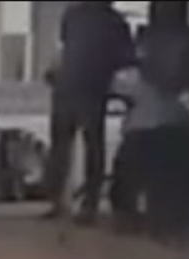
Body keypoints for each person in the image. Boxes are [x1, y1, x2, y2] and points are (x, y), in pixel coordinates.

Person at [107, 2, 189, 244]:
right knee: (172, 185)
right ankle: (169, 223)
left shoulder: (147, 51)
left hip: (145, 127)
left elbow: (118, 84)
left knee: (129, 178)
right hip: (184, 123)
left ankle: (132, 218)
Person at [42, 1, 134, 226]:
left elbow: (64, 50)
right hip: (85, 88)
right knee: (85, 146)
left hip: (80, 88)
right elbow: (124, 59)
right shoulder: (111, 21)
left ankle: (73, 203)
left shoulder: (80, 15)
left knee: (73, 146)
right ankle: (77, 203)